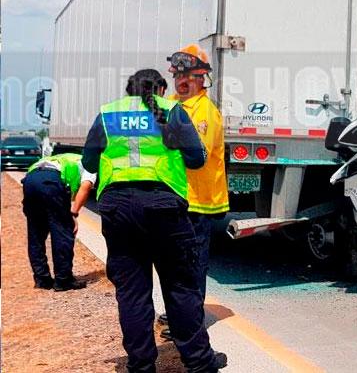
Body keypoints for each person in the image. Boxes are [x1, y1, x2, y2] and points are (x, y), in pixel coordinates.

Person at [79, 69, 226, 373]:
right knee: (181, 288)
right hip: (164, 209)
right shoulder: (172, 111)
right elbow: (197, 159)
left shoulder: (108, 114)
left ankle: (142, 366)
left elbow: (89, 161)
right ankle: (199, 363)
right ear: (159, 89)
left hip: (119, 211)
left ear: (128, 89)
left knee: (132, 293)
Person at [158, 45, 229, 338]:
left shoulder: (205, 114)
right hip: (177, 199)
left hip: (199, 203)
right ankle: (179, 312)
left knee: (192, 264)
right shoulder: (173, 104)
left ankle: (190, 321)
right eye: (177, 75)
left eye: (186, 75)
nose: (180, 81)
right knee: (175, 264)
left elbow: (195, 155)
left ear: (201, 78)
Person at [20, 153, 94, 291]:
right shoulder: (92, 164)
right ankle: (63, 280)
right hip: (51, 181)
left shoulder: (68, 158)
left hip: (30, 180)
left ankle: (42, 279)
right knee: (62, 233)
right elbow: (86, 187)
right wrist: (73, 214)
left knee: (36, 233)